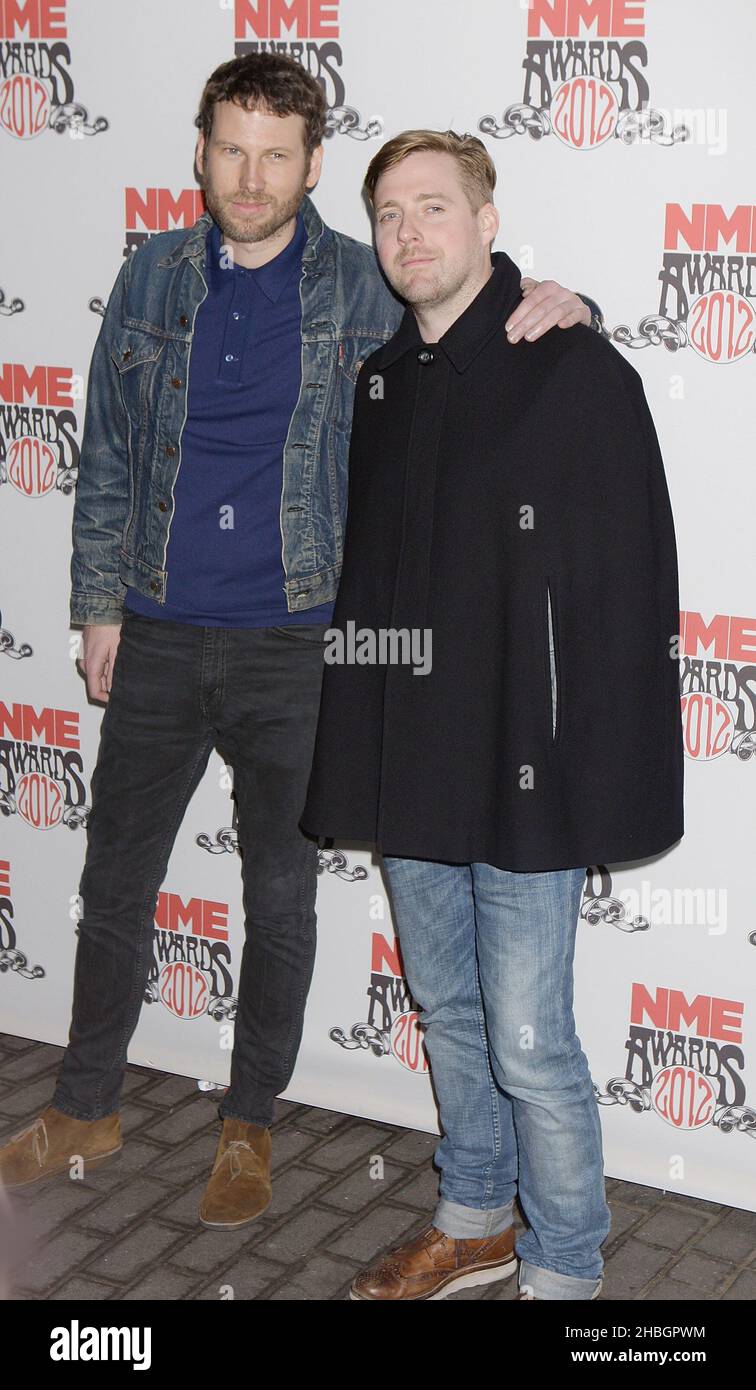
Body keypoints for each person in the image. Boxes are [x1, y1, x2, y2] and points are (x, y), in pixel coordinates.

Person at [0, 56, 601, 1231]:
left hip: (302, 639)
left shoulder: (360, 279)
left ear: (312, 165)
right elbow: (112, 450)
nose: (251, 174)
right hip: (162, 626)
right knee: (116, 883)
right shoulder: (154, 275)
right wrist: (99, 603)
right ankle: (85, 1103)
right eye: (231, 148)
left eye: (276, 154)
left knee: (278, 896)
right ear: (201, 153)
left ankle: (250, 1123)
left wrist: (561, 303)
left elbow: (468, 314)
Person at [300, 129, 684, 1299]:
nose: (410, 233)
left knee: (529, 1039)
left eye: (434, 207)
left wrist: (596, 771)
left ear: (486, 217)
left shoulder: (568, 361)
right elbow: (370, 585)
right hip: (413, 767)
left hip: (525, 765)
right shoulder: (379, 384)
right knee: (450, 1014)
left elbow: (630, 584)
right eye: (390, 215)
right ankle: (474, 1214)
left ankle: (566, 1266)